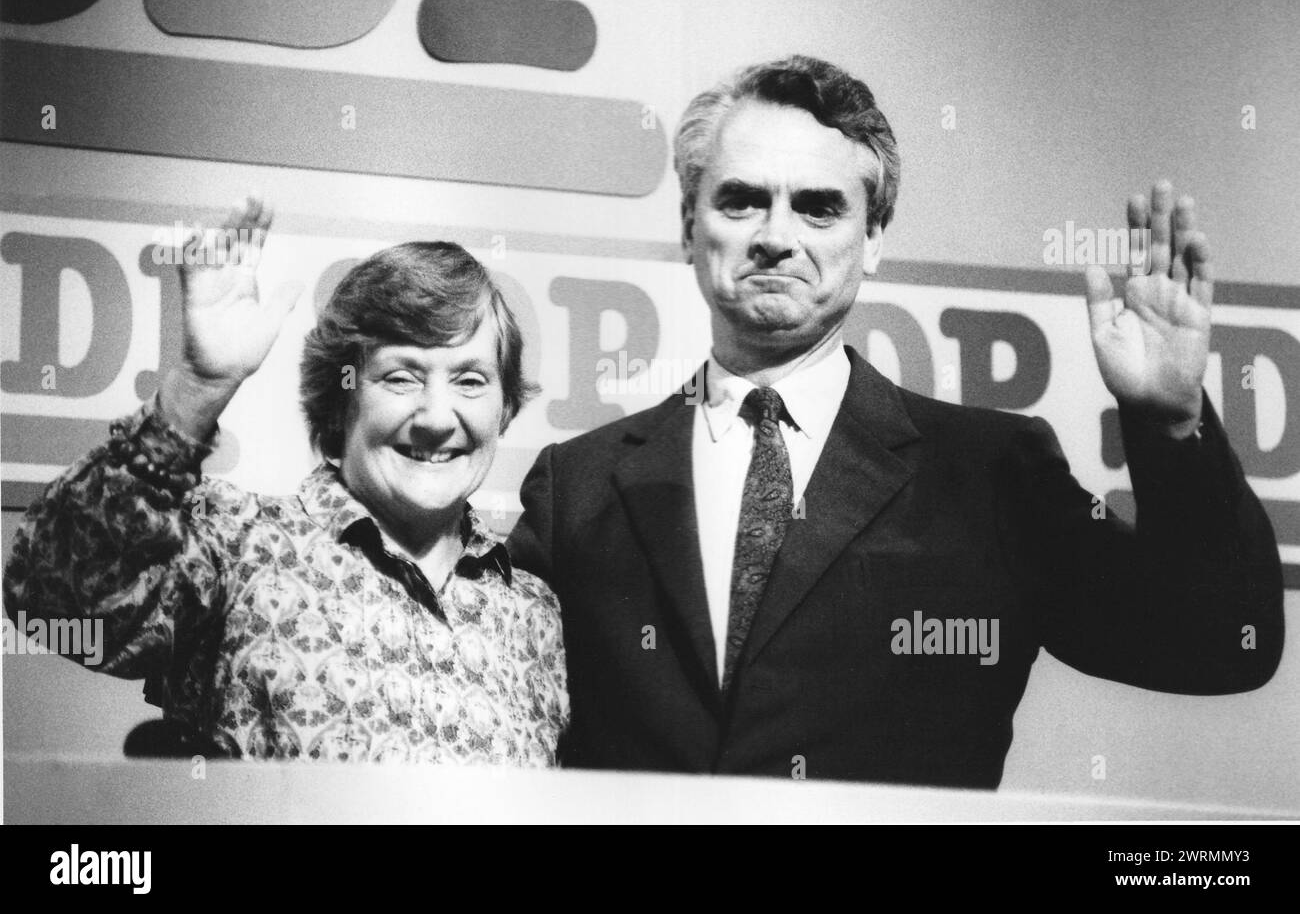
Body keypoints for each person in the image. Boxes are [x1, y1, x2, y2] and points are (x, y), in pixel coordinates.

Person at [506, 55, 1285, 787]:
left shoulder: (990, 473)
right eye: (742, 198)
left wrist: (1172, 426)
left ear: (872, 238)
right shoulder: (574, 488)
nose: (777, 236)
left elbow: (1217, 642)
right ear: (688, 224)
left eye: (818, 207)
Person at [4, 199, 568, 764]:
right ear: (340, 400)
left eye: (471, 381)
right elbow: (54, 601)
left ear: (505, 408)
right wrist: (199, 387)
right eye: (400, 377)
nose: (438, 416)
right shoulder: (235, 543)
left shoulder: (534, 615)